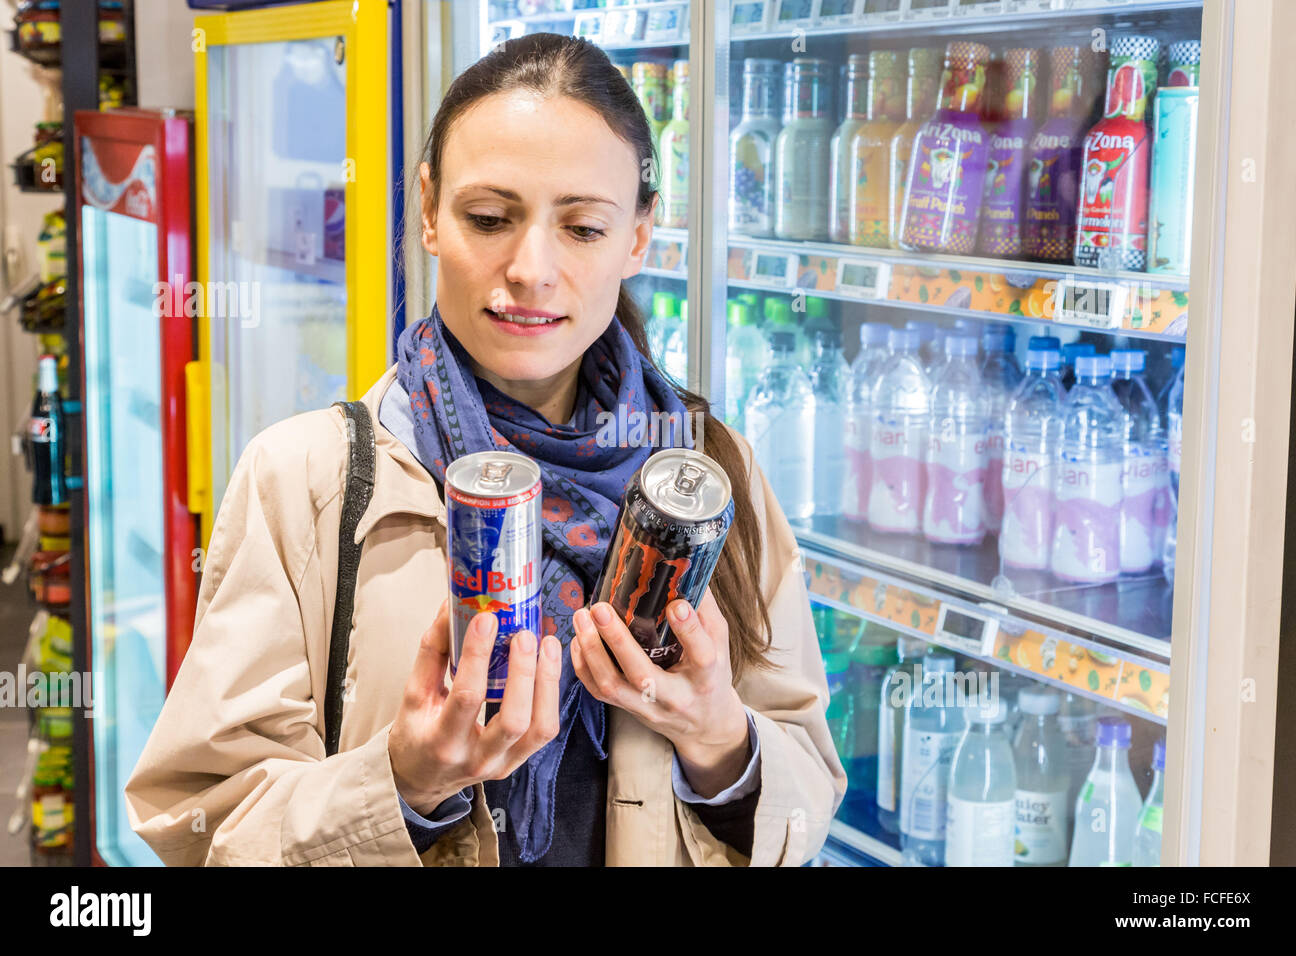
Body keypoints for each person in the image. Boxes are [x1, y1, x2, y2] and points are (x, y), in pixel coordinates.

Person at [124, 33, 845, 866]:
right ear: (428, 211)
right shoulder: (310, 480)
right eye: (490, 218)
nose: (532, 268)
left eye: (582, 227)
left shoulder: (711, 472)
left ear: (639, 236)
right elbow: (199, 821)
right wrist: (403, 783)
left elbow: (808, 784)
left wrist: (720, 740)